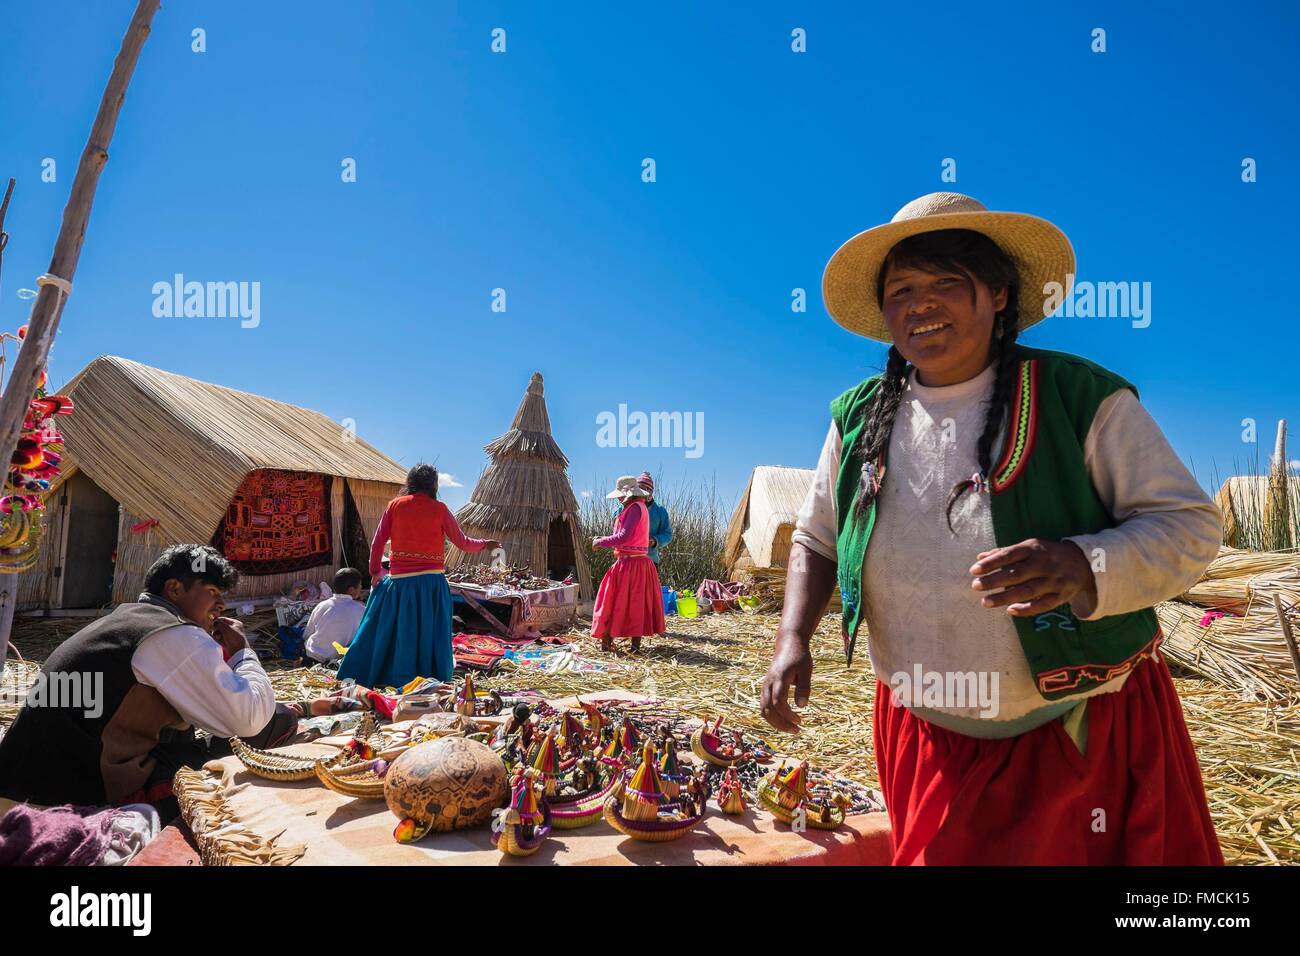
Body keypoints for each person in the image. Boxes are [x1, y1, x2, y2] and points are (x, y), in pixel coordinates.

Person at [760, 192, 1224, 865]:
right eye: (902, 289)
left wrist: (1080, 563)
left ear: (999, 294)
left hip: (1075, 731)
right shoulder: (858, 418)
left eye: (947, 281)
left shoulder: (1078, 398)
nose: (921, 303)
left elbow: (1188, 529)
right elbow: (816, 539)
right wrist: (790, 640)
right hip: (924, 735)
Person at [0, 545, 278, 821]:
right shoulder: (172, 635)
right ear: (175, 589)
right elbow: (249, 719)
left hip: (24, 783)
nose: (221, 605)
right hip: (74, 797)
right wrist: (243, 652)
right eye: (213, 592)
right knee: (268, 729)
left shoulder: (128, 621)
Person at [338, 464, 498, 688]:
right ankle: (428, 676)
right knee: (428, 630)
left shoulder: (395, 506)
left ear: (410, 483)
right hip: (431, 584)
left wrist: (375, 572)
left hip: (401, 583)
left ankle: (389, 673)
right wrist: (485, 545)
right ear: (434, 485)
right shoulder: (440, 509)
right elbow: (462, 542)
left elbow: (377, 543)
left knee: (397, 630)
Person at [590, 475, 665, 653]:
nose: (617, 498)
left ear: (628, 494)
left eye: (619, 495)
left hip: (631, 563)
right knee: (635, 603)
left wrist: (600, 541)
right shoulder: (639, 507)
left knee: (612, 600)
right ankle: (634, 647)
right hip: (638, 563)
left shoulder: (634, 508)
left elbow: (623, 536)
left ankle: (607, 644)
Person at [302, 567, 366, 664]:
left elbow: (307, 634)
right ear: (351, 590)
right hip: (336, 663)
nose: (361, 589)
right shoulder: (361, 610)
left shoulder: (322, 605)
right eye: (360, 586)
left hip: (311, 658)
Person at [637, 472, 673, 566]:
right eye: (638, 489)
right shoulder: (628, 506)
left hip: (650, 560)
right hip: (628, 558)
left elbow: (668, 534)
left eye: (644, 490)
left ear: (650, 491)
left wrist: (655, 540)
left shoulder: (660, 511)